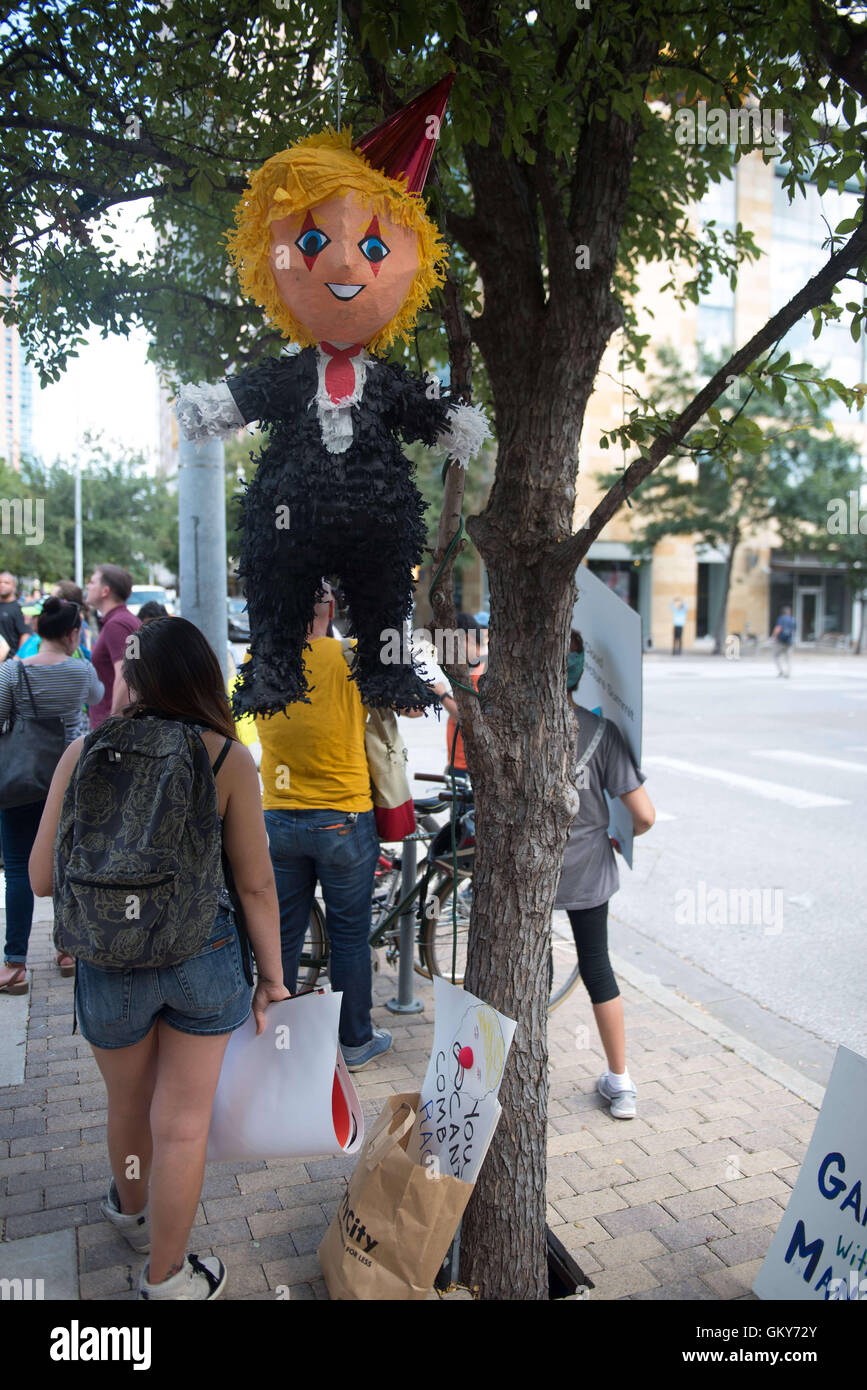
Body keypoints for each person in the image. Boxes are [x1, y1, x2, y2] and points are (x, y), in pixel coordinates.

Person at [28, 616, 289, 1300]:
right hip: (202, 956)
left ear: (135, 677)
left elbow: (39, 879)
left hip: (109, 967)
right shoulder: (226, 758)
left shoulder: (83, 753)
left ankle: (133, 1212)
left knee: (127, 1107)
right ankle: (168, 1279)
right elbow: (257, 883)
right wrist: (273, 980)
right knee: (182, 1126)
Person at [255, 581, 422, 1070]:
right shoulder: (352, 657)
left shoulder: (261, 663)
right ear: (329, 607)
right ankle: (354, 1041)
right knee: (350, 935)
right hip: (343, 818)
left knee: (284, 932)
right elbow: (410, 704)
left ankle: (278, 1038)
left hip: (280, 817)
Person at [555, 629, 656, 1120]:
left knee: (524, 973)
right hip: (588, 872)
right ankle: (620, 1083)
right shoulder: (599, 733)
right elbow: (645, 815)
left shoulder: (511, 729)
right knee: (597, 966)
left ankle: (503, 1073)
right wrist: (618, 834)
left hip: (527, 875)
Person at [0, 598, 104, 994]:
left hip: (20, 781)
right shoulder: (81, 669)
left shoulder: (11, 673)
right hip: (69, 781)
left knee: (17, 870)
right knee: (66, 863)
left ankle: (15, 964)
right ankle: (67, 950)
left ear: (38, 628)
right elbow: (95, 698)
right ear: (74, 633)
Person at [86, 566, 141, 728]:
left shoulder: (117, 624)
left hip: (112, 728)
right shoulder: (124, 620)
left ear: (105, 591)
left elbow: (127, 674)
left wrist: (116, 720)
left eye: (92, 582)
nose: (88, 586)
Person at [441, 612, 486, 777]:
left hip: (469, 767)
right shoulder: (470, 671)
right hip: (458, 764)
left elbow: (467, 718)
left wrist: (442, 696)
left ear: (465, 638)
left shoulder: (479, 675)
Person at [0, 572, 28, 658]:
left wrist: (17, 658)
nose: (2, 585)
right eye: (0, 582)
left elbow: (25, 634)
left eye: (6, 583)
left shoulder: (20, 608)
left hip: (9, 662)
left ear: (14, 587)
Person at [771, 604, 796, 678]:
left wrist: (774, 637)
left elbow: (778, 628)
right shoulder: (792, 619)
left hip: (780, 641)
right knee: (788, 658)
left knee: (776, 656)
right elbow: (794, 630)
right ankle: (788, 673)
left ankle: (781, 671)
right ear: (789, 612)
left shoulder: (781, 619)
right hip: (789, 641)